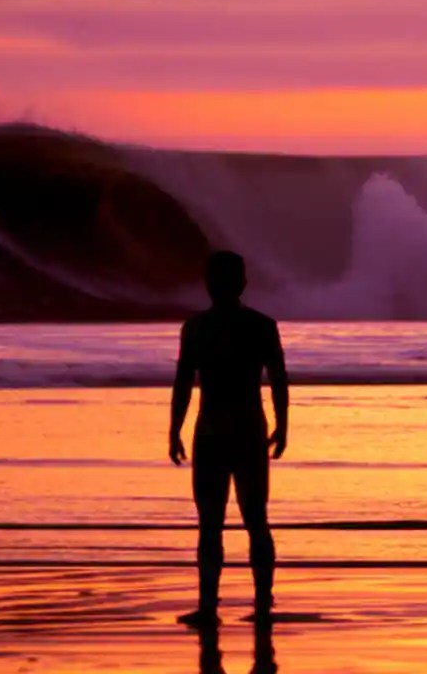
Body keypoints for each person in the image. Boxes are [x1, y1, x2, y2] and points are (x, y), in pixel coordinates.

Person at [170, 250, 289, 626]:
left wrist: (174, 429)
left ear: (208, 285)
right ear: (242, 284)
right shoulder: (262, 326)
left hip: (212, 434)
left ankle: (209, 606)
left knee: (211, 522)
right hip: (248, 433)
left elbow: (183, 385)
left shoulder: (196, 328)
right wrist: (283, 425)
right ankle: (262, 603)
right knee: (256, 520)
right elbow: (280, 382)